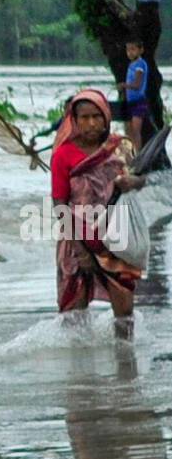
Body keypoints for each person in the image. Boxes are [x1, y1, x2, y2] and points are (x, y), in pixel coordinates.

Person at [50, 89, 146, 330]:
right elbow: (59, 203)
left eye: (96, 116)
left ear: (105, 117)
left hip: (115, 237)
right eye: (84, 117)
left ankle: (125, 361)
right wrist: (80, 251)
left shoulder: (120, 147)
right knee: (74, 314)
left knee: (124, 311)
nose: (91, 123)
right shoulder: (63, 155)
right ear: (74, 119)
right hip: (76, 240)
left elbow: (140, 179)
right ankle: (80, 365)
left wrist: (130, 183)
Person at [119, 39, 150, 152]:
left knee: (136, 131)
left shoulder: (140, 64)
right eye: (128, 50)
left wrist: (124, 85)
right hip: (130, 101)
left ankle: (138, 153)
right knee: (129, 130)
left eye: (133, 49)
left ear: (140, 50)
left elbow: (137, 84)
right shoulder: (131, 64)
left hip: (138, 101)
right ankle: (131, 153)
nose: (130, 52)